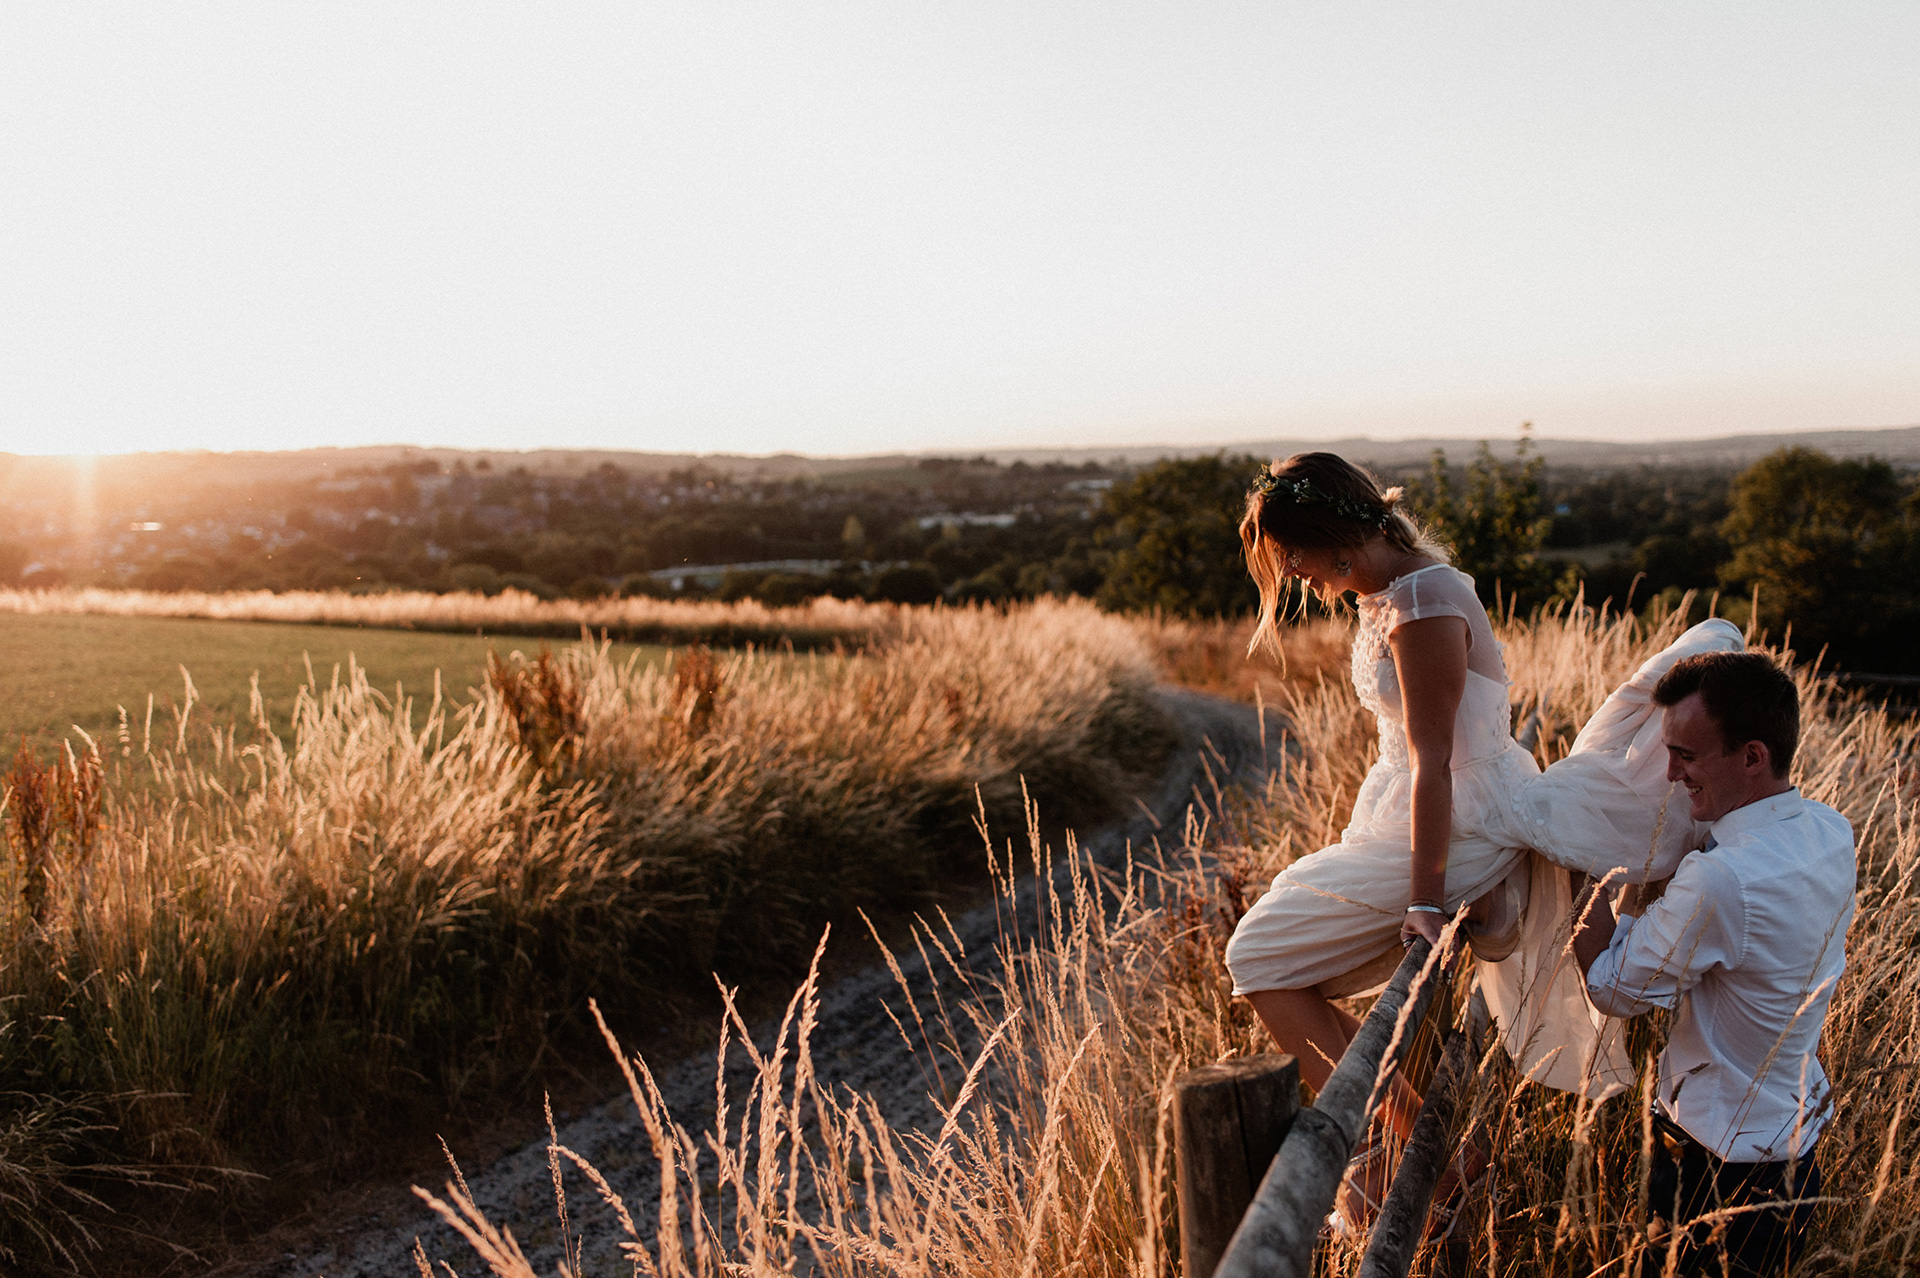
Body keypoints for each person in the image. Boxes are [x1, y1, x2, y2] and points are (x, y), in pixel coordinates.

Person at [1224, 451, 1742, 1222]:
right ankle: (1424, 1150)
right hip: (1417, 808)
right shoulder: (1391, 593)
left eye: (1292, 551)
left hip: (1464, 821)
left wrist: (1426, 903)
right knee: (1269, 954)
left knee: (1256, 953)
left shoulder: (1423, 600)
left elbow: (1437, 763)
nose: (1292, 571)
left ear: (1333, 532)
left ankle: (1415, 1151)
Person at [1573, 652, 1853, 1277]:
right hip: (1795, 1147)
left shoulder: (1722, 879)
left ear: (1752, 757)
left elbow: (1611, 987)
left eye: (1686, 756)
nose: (1670, 773)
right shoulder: (1831, 830)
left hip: (1715, 1166)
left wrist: (1578, 859)